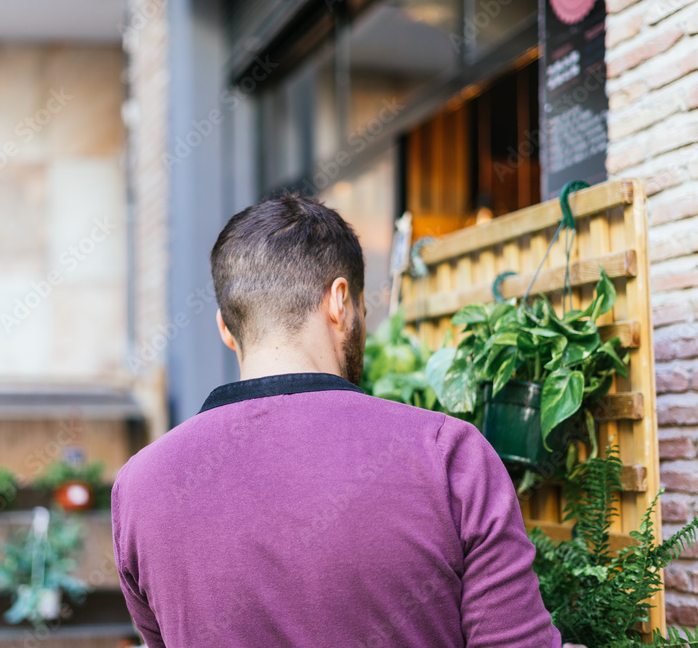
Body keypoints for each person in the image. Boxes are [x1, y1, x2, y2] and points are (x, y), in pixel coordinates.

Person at [112, 193, 561, 647]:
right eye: (363, 310)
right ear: (340, 303)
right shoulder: (447, 455)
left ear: (226, 328)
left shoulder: (139, 486)